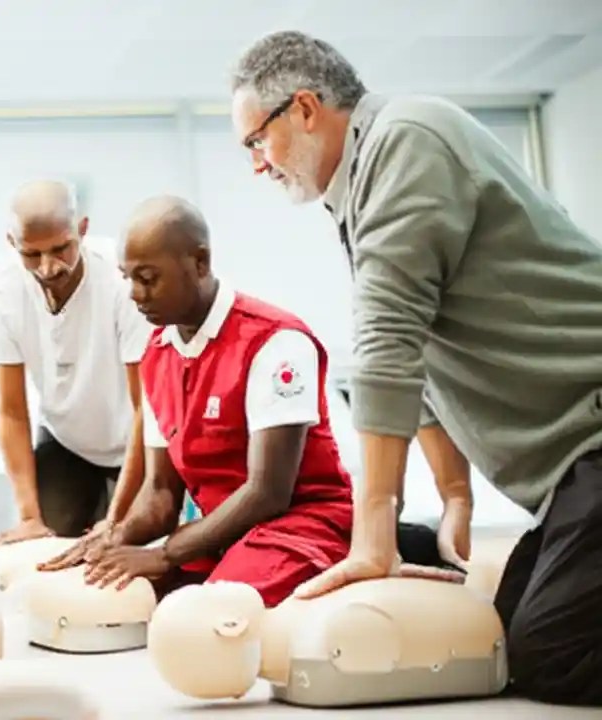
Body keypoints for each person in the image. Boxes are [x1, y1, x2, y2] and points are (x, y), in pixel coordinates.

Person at [228, 30, 602, 704]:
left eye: (257, 140)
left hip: (596, 441)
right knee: (509, 628)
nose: (257, 163)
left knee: (552, 647)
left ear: (305, 109)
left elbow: (388, 348)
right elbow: (424, 356)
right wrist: (455, 495)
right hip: (574, 470)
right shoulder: (366, 181)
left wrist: (374, 540)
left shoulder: (406, 142)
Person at [55, 195, 358, 608]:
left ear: (200, 263)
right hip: (219, 535)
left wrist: (164, 554)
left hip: (300, 525)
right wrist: (113, 536)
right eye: (127, 278)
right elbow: (161, 492)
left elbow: (268, 492)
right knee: (118, 593)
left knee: (204, 613)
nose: (134, 294)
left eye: (148, 278)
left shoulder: (276, 342)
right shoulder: (158, 354)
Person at [0, 180, 151, 547]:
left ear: (83, 229)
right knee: (47, 549)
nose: (47, 267)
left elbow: (145, 409)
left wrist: (117, 518)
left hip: (136, 438)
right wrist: (29, 516)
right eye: (32, 254)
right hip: (66, 440)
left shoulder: (122, 281)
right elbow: (11, 411)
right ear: (12, 244)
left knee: (133, 548)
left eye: (61, 249)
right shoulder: (3, 292)